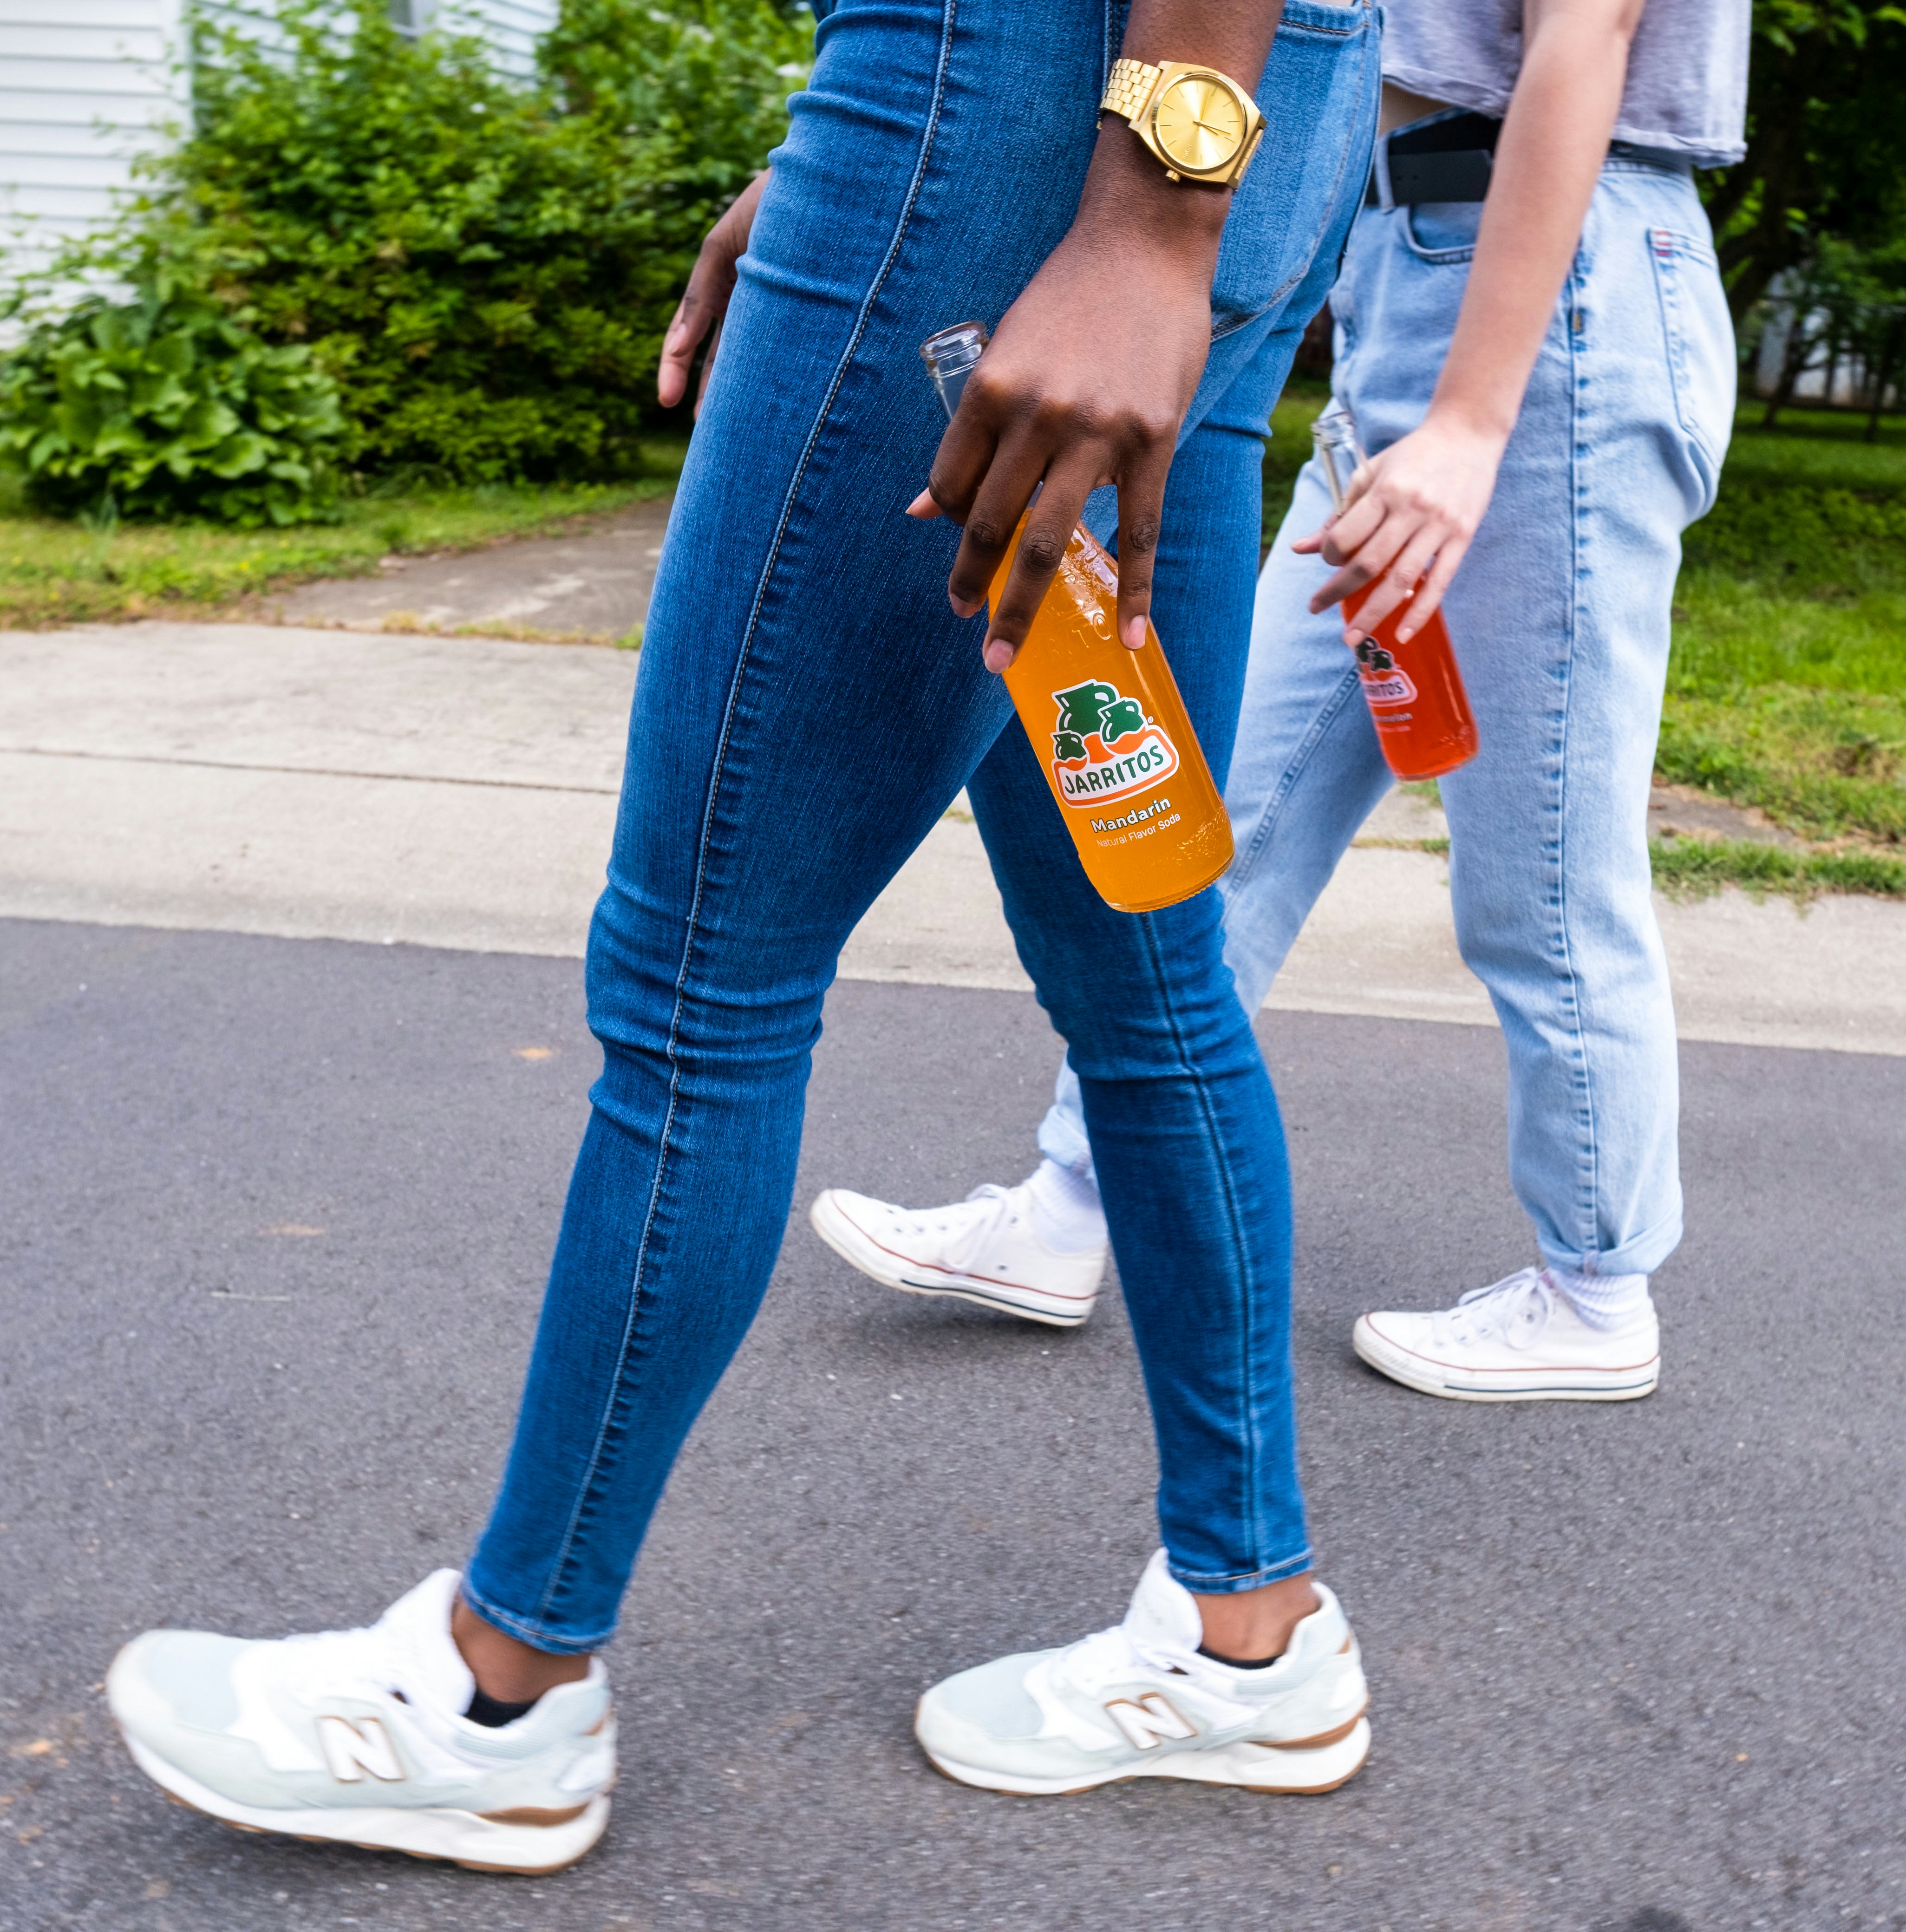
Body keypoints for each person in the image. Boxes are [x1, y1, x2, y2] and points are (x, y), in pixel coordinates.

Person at [100, 0, 1382, 1874]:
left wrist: (1117, 211)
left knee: (707, 978)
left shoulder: (1106, 164)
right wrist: (982, 175)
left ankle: (499, 1695)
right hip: (1224, 101)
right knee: (1148, 961)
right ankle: (1249, 1628)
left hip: (1067, 109)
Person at [812, 0, 1747, 1402]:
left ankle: (1596, 1285)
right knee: (1221, 814)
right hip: (1419, 279)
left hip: (1551, 306)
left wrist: (1475, 420)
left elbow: (1586, 35)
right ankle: (1075, 1207)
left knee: (1542, 863)